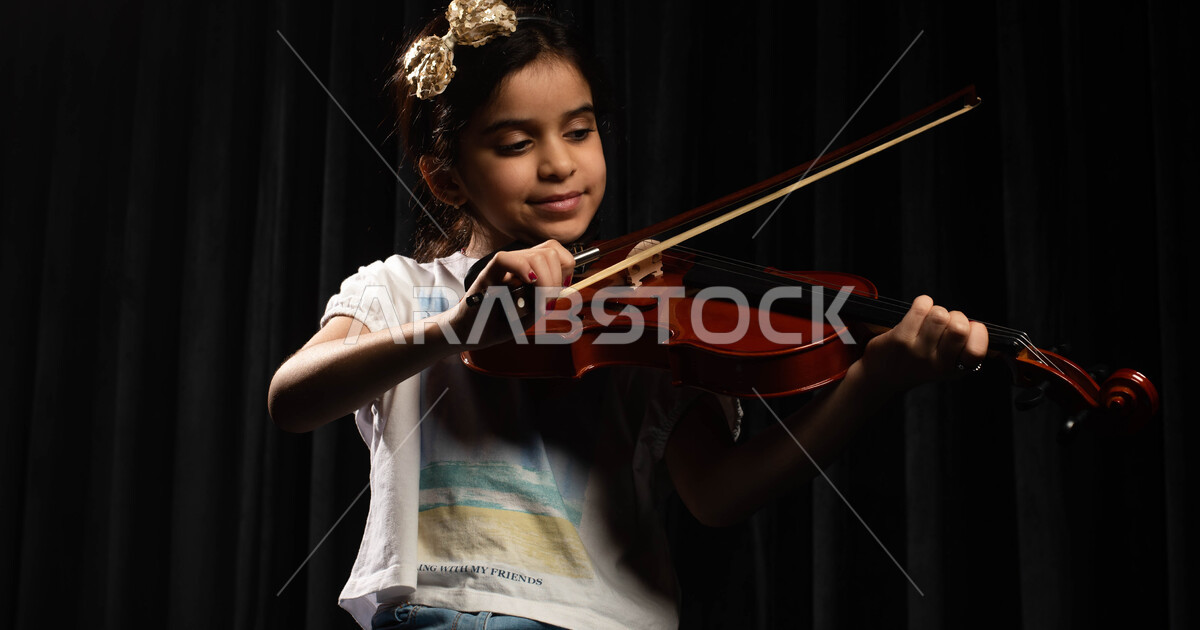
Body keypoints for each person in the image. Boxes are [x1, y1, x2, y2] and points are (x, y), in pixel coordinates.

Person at [266, 2, 989, 629]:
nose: (559, 165)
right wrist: (455, 327)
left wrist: (872, 381)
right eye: (517, 144)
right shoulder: (399, 291)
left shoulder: (644, 310)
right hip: (447, 613)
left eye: (578, 131)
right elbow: (293, 399)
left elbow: (717, 493)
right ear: (446, 177)